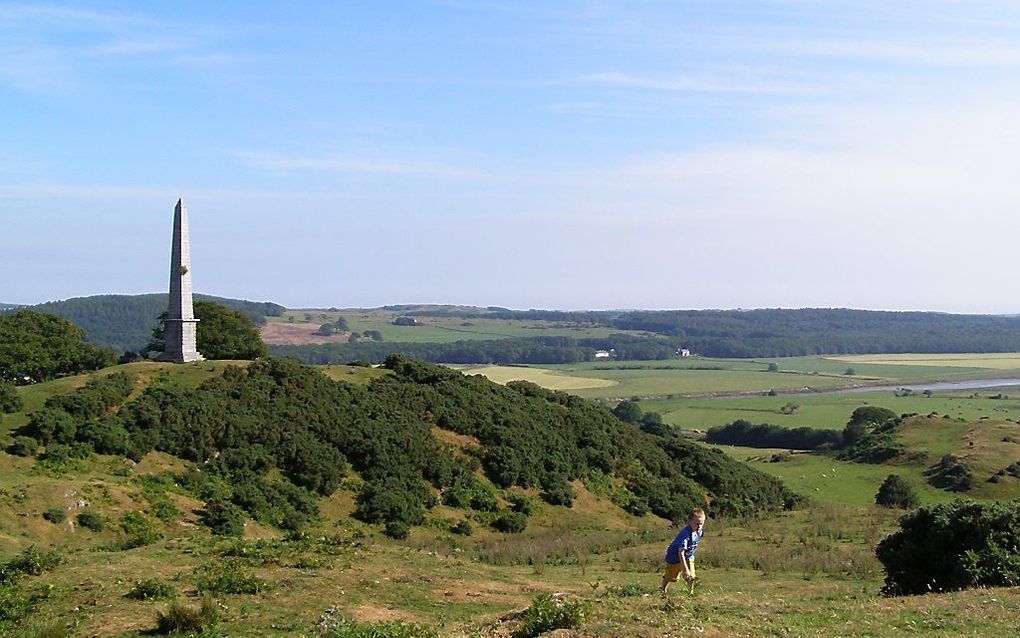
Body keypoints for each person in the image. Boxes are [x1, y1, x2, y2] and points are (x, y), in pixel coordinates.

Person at [660, 508, 706, 594]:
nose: (699, 527)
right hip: (675, 557)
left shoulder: (699, 531)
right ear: (689, 522)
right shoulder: (684, 534)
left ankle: (690, 593)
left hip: (688, 556)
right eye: (697, 524)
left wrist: (691, 557)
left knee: (691, 576)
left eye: (701, 524)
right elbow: (680, 552)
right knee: (672, 577)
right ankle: (662, 589)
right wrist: (685, 569)